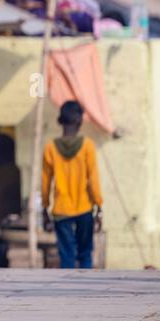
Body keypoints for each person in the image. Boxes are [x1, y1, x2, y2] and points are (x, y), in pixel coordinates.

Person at [41, 101, 104, 268]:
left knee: (66, 256)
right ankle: (86, 291)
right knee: (85, 254)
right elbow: (93, 180)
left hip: (61, 210)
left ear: (61, 120)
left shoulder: (50, 148)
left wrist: (45, 208)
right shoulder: (87, 146)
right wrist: (99, 206)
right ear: (80, 121)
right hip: (84, 208)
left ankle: (67, 292)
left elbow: (45, 183)